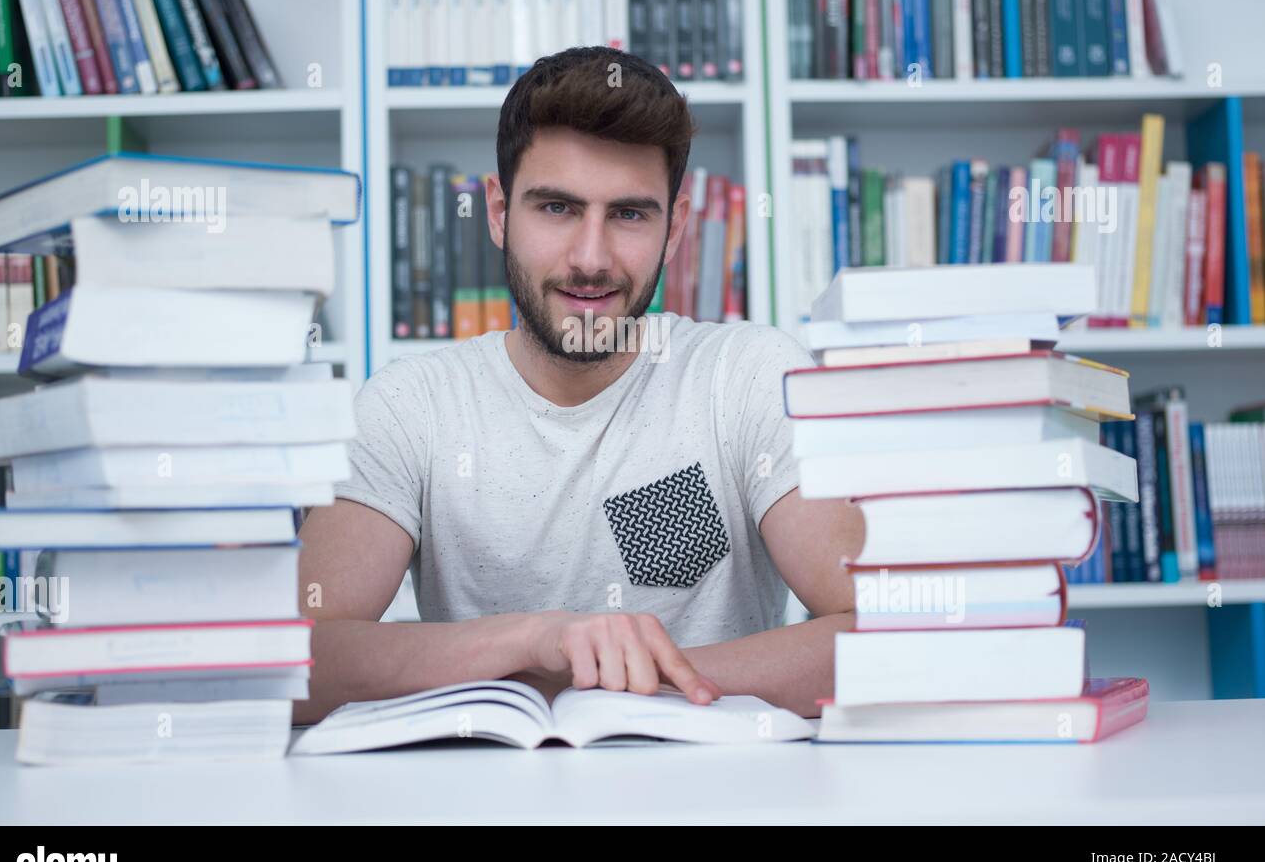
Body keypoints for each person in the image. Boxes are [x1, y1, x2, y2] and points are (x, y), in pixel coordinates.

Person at [296, 46, 864, 724]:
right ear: (500, 212)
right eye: (558, 207)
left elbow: (883, 623)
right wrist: (538, 638)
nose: (591, 259)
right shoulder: (409, 407)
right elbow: (299, 658)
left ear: (674, 226)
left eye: (629, 215)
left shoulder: (749, 379)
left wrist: (634, 682)